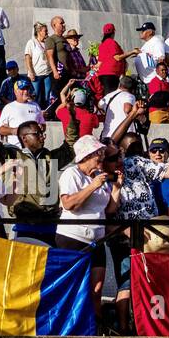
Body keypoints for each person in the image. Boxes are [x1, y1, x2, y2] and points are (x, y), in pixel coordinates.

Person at [57, 137, 118, 311]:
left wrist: (117, 188)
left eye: (102, 153)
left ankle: (95, 329)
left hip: (96, 239)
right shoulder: (71, 173)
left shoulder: (98, 176)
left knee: (96, 288)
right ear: (86, 155)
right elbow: (69, 204)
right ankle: (69, 328)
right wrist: (92, 186)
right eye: (98, 154)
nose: (102, 157)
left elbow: (109, 209)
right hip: (72, 237)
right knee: (72, 287)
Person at [24, 22, 54, 109]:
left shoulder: (47, 42)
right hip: (36, 73)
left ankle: (46, 112)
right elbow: (28, 58)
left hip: (47, 73)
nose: (47, 33)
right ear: (39, 32)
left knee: (47, 94)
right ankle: (33, 111)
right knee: (35, 94)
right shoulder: (31, 42)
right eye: (45, 31)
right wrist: (30, 72)